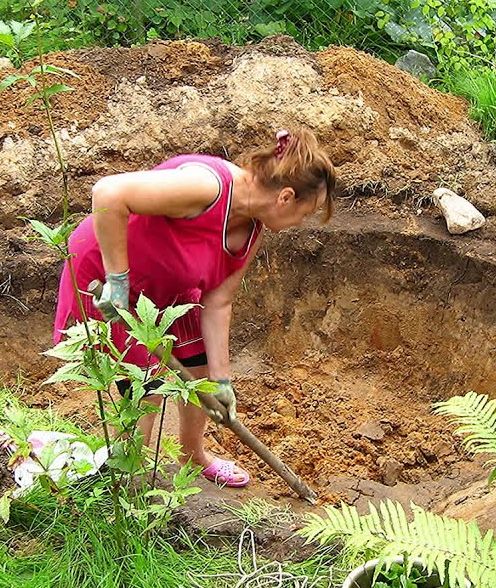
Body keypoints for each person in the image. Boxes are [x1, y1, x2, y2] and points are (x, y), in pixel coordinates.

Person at [52, 128, 336, 487]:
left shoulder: (253, 227)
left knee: (197, 362)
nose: (300, 223)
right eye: (305, 213)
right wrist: (118, 281)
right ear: (285, 197)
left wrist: (220, 380)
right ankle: (126, 476)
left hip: (165, 284)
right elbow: (108, 194)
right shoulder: (208, 188)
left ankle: (192, 454)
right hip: (109, 273)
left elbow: (218, 301)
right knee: (144, 383)